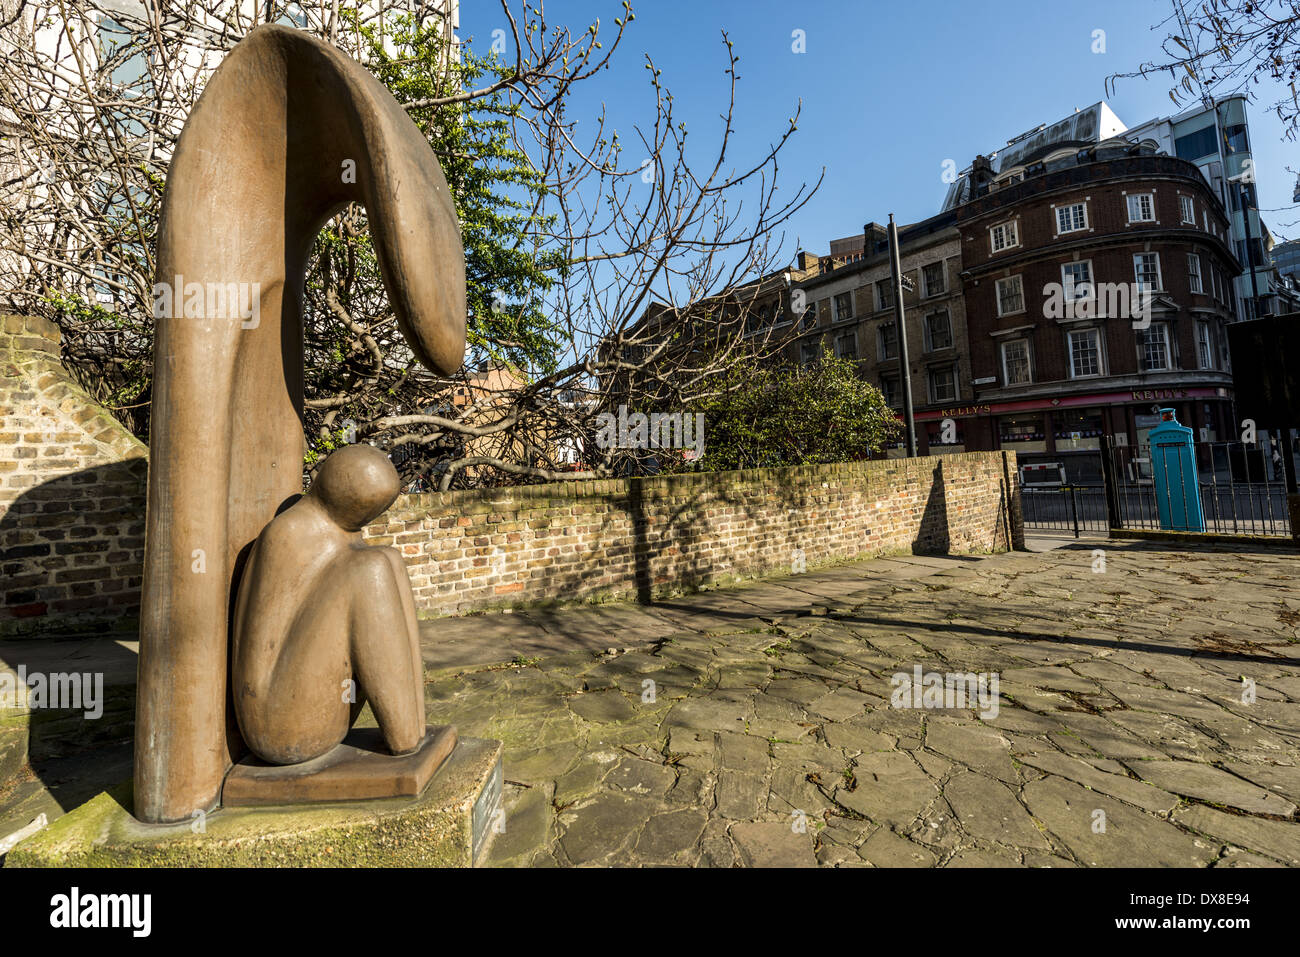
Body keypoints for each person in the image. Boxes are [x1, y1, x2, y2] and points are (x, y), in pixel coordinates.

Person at [231, 444, 425, 765]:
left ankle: (412, 726)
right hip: (278, 723)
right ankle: (403, 734)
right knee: (369, 568)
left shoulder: (339, 532)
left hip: (320, 707)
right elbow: (264, 647)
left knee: (388, 558)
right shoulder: (289, 532)